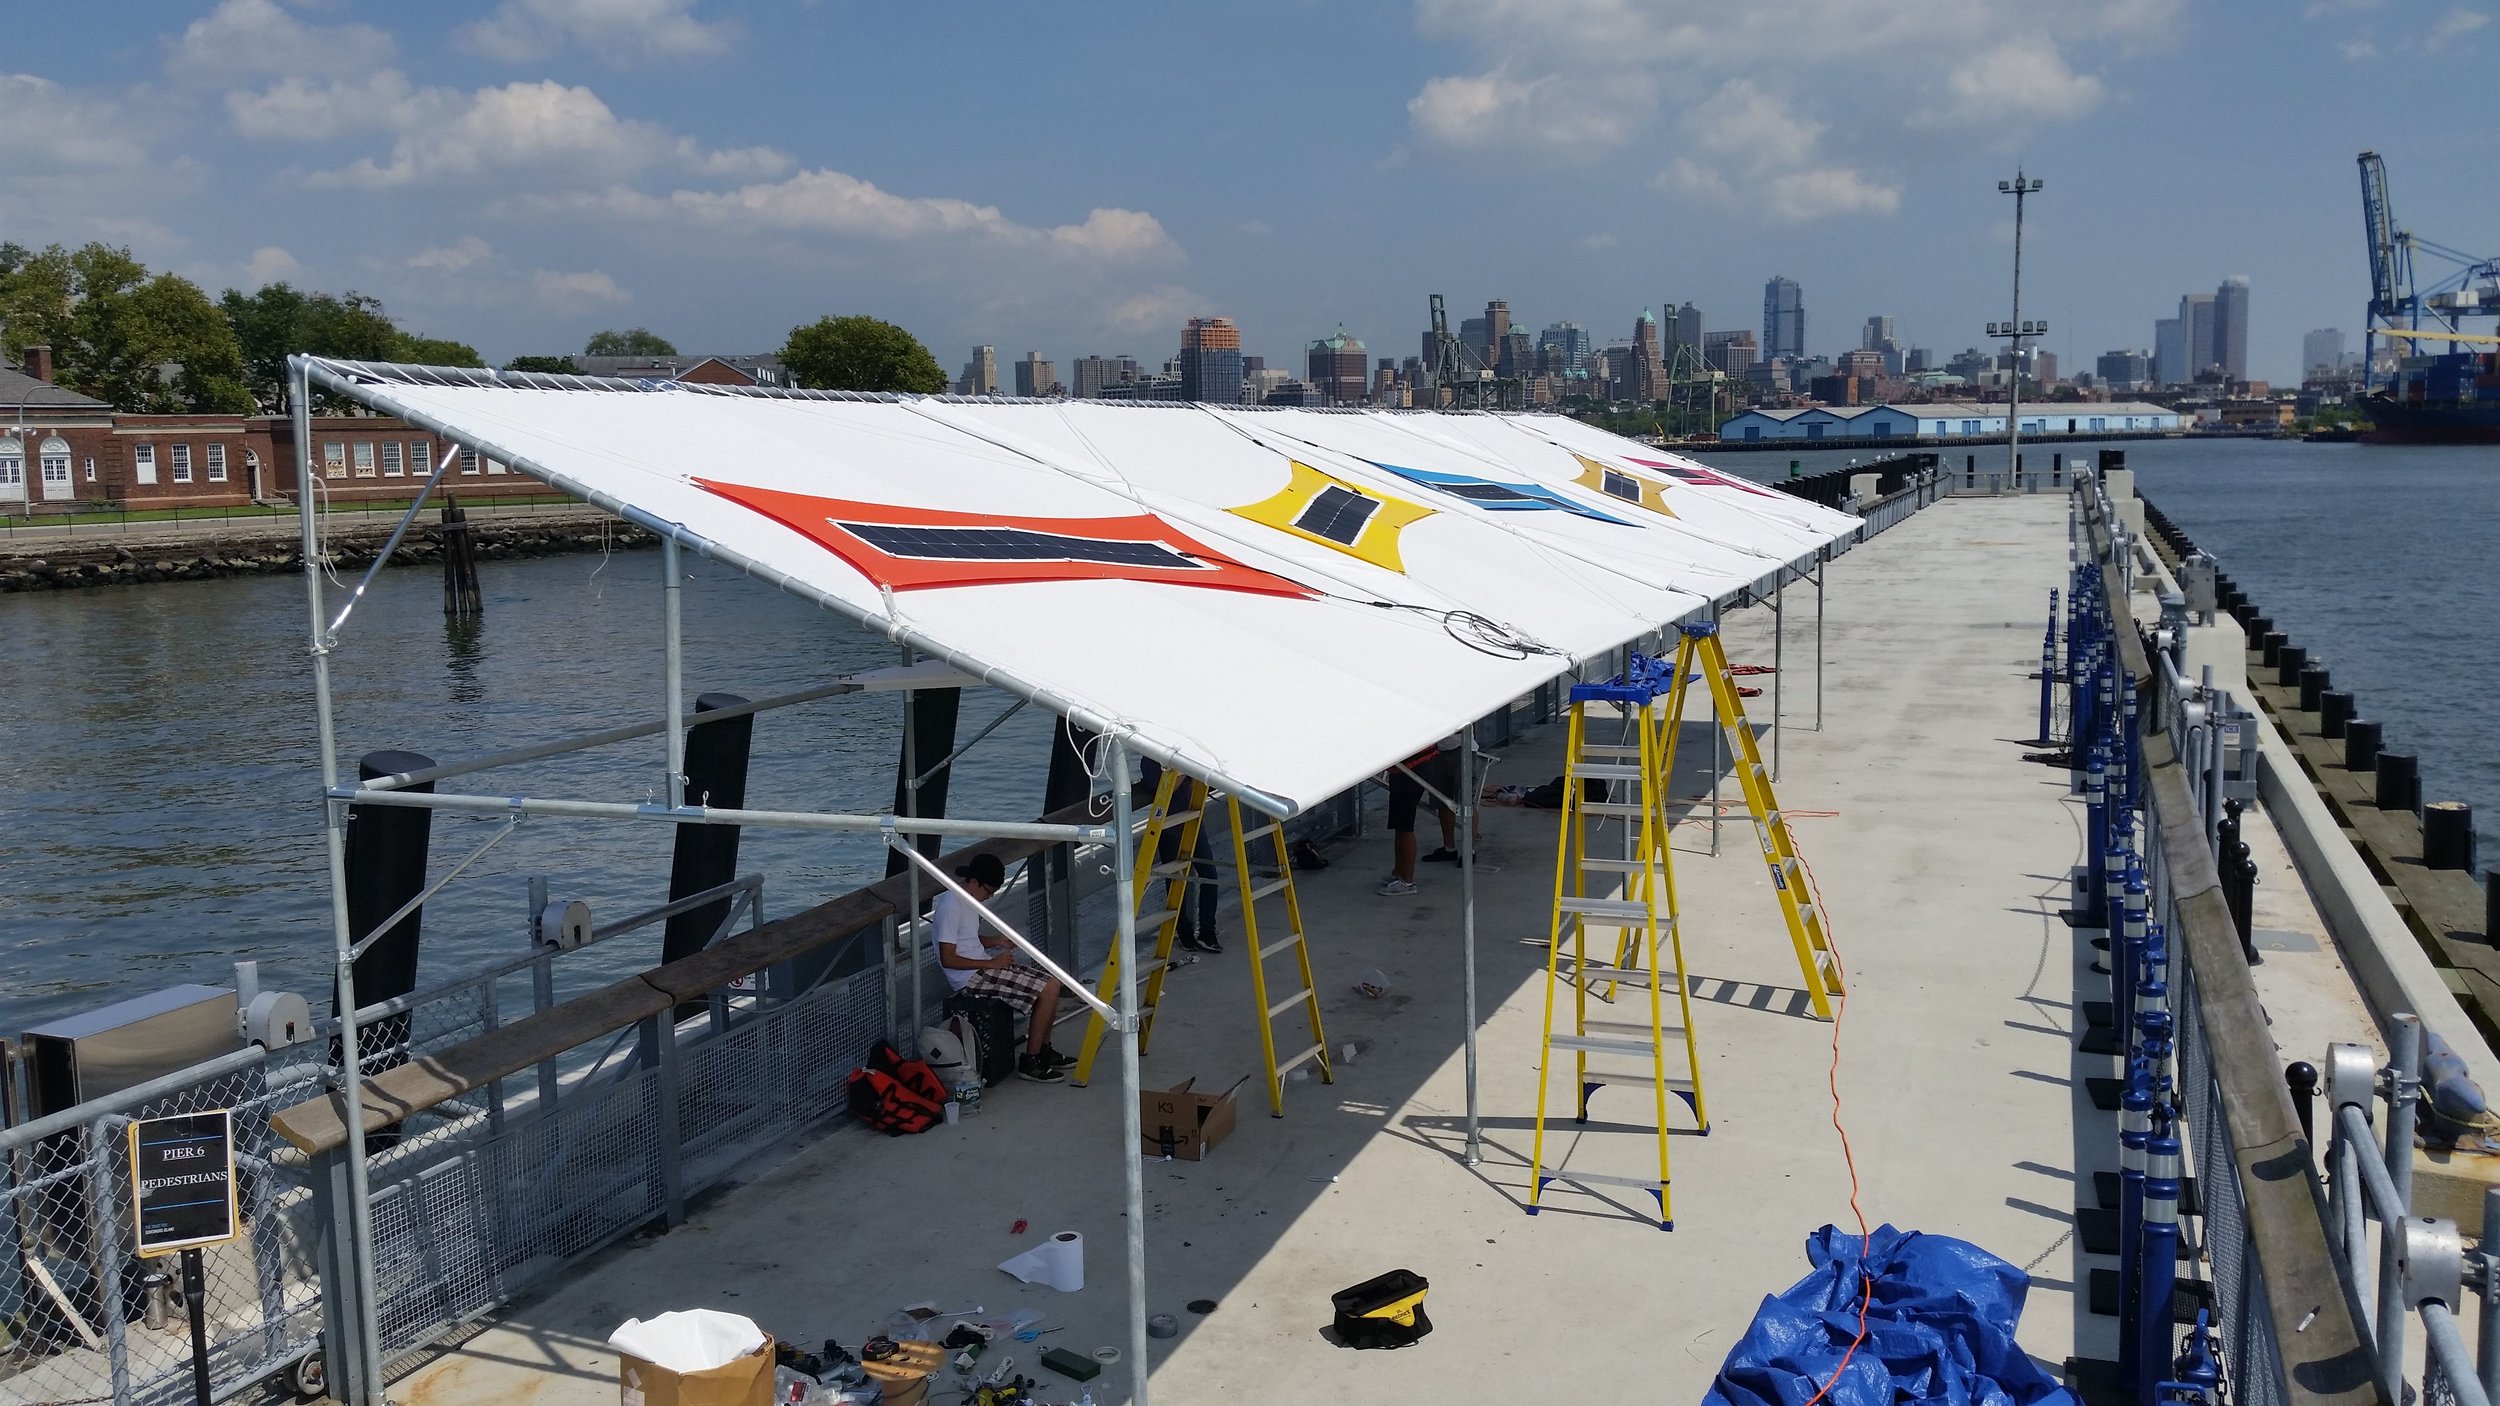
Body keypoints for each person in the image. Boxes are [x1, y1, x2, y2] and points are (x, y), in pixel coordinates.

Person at [931, 853, 1070, 1083]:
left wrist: (996, 941)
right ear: (973, 882)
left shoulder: (970, 900)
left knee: (1052, 981)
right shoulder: (951, 906)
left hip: (983, 968)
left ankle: (1044, 1049)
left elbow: (968, 940)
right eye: (988, 891)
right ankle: (1031, 1060)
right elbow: (948, 958)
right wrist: (991, 963)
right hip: (969, 978)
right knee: (1047, 988)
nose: (989, 897)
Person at [1380, 736, 1464, 896]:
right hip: (1407, 768)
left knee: (1405, 825)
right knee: (1399, 824)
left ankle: (1407, 880)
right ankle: (1399, 872)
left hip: (1411, 769)